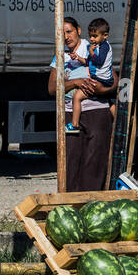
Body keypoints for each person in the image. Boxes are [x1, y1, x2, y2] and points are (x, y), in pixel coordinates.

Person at [47, 16, 116, 192]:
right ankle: (72, 206)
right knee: (71, 159)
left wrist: (96, 89)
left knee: (94, 160)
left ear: (78, 30)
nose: (66, 37)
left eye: (69, 31)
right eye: (61, 34)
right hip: (71, 113)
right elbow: (52, 89)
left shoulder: (92, 47)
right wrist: (75, 83)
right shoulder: (60, 56)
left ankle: (91, 204)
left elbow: (114, 81)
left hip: (97, 111)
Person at [69, 18, 115, 132]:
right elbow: (89, 62)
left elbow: (98, 61)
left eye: (95, 36)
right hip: (102, 79)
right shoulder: (98, 46)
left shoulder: (104, 46)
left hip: (101, 79)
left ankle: (74, 125)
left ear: (105, 35)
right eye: (90, 36)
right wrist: (78, 58)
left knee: (77, 97)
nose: (92, 39)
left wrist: (91, 53)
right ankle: (119, 122)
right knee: (108, 99)